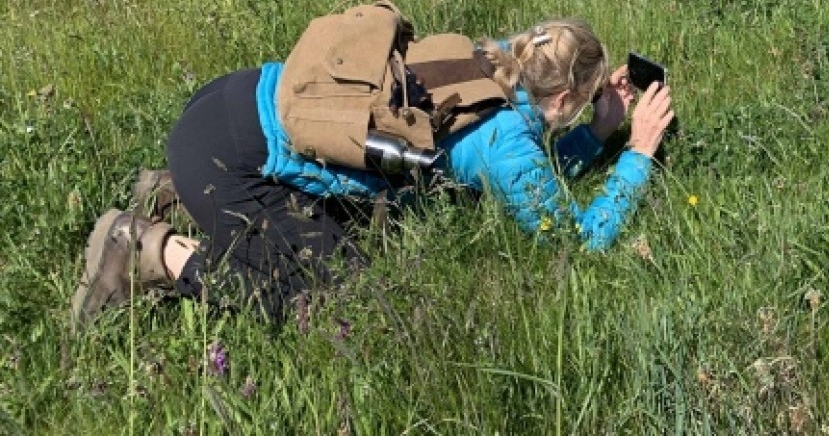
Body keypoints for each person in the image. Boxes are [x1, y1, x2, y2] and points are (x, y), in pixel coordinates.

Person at [70, 18, 674, 327]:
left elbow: (520, 172)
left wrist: (595, 133)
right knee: (338, 305)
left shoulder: (485, 58)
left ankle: (181, 192)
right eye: (587, 102)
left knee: (348, 229)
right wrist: (637, 151)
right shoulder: (508, 146)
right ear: (566, 98)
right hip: (231, 161)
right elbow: (580, 239)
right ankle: (148, 245)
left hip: (231, 100)